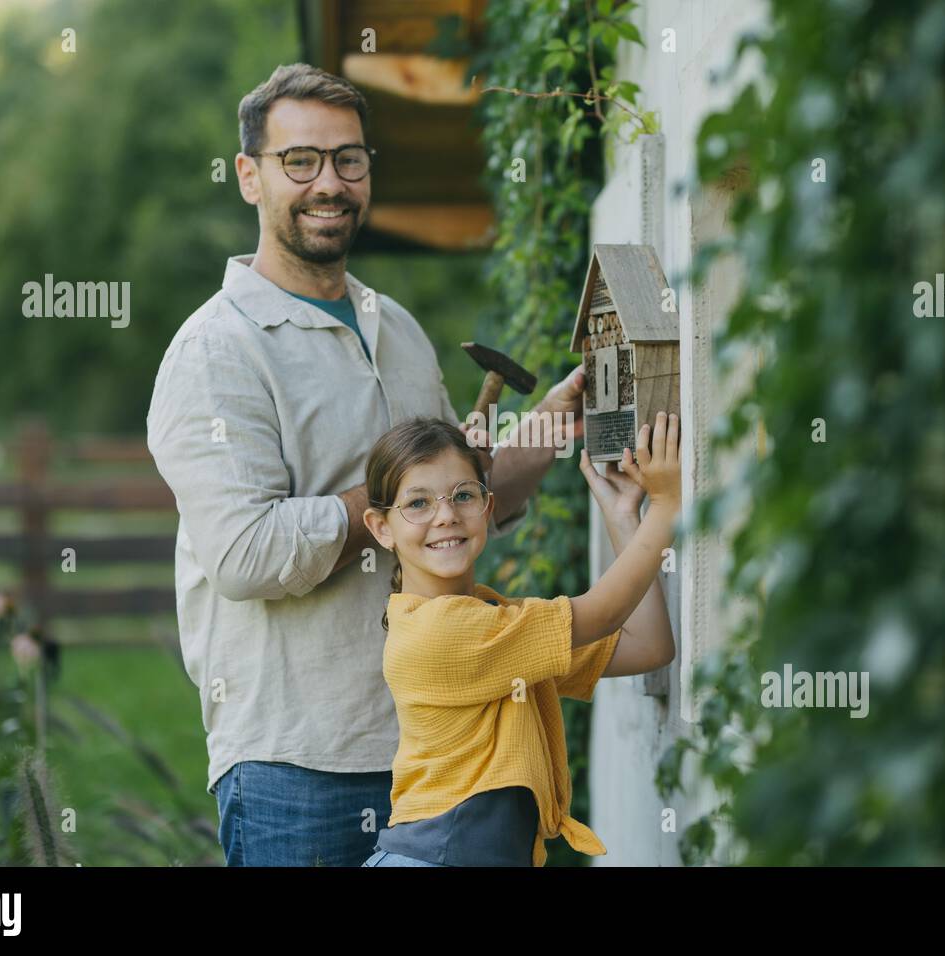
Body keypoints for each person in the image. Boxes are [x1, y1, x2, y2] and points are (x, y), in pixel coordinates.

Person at [145, 63, 585, 866]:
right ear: (250, 176)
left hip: (435, 747)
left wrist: (558, 421)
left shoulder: (398, 329)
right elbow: (246, 556)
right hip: (298, 764)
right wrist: (394, 500)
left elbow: (462, 499)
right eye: (301, 161)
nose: (330, 183)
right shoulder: (215, 353)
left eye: (349, 160)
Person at [359, 412, 680, 866]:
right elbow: (605, 611)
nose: (446, 516)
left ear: (487, 508)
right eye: (417, 504)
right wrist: (666, 507)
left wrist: (627, 518)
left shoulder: (495, 621)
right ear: (381, 527)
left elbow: (648, 645)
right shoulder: (445, 633)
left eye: (463, 495)